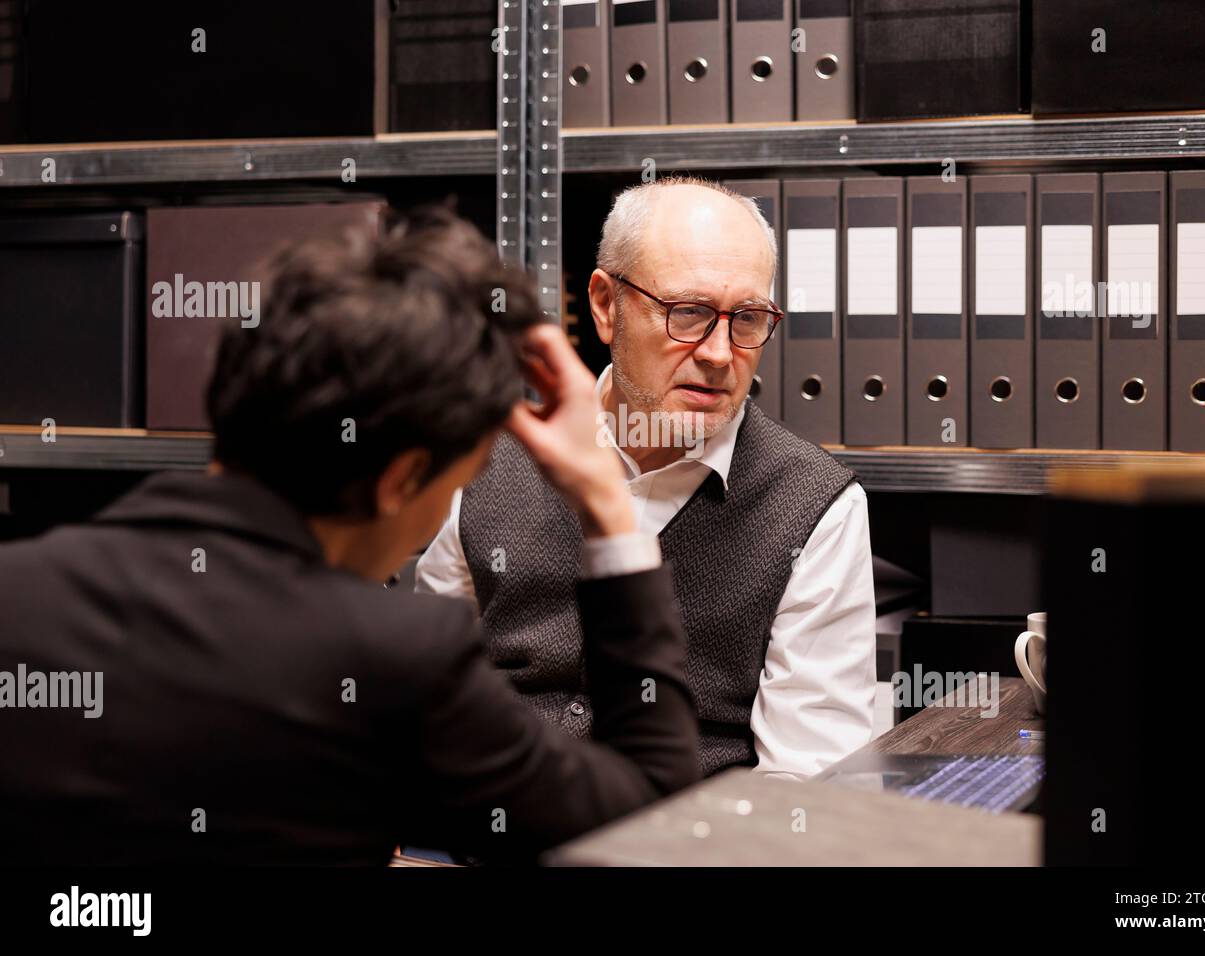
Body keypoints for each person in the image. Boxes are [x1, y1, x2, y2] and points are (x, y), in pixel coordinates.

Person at [0, 207, 700, 865]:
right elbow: (647, 826)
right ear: (401, 480)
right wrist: (608, 505)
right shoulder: (397, 657)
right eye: (461, 475)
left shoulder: (17, 590)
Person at [418, 177, 876, 778]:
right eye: (688, 312)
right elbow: (428, 698)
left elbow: (807, 779)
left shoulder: (817, 509)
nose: (718, 354)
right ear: (606, 307)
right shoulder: (488, 459)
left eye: (747, 319)